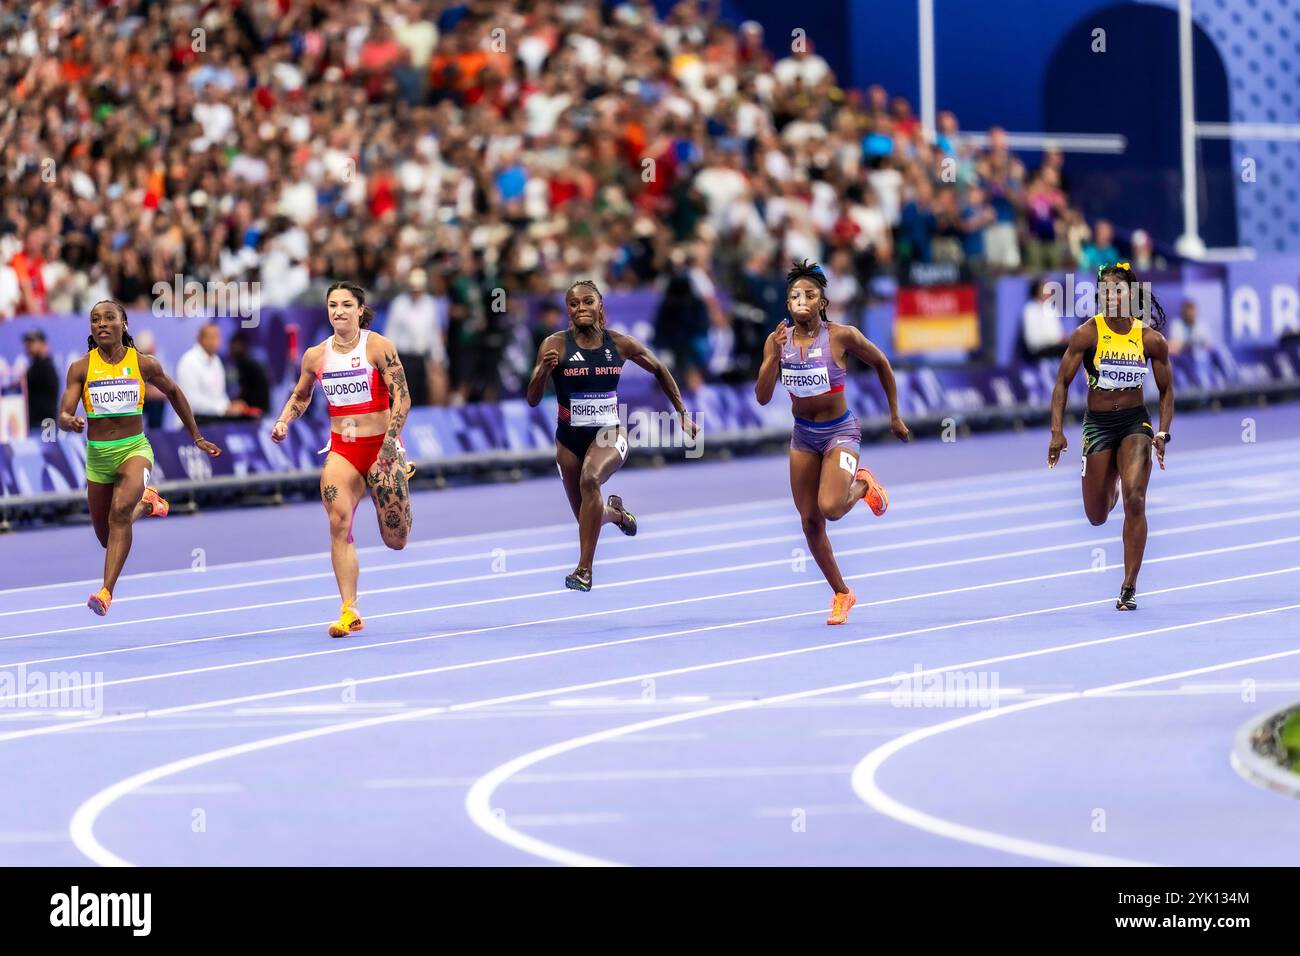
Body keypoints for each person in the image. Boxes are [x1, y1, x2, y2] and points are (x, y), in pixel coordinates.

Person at [754, 260, 911, 625]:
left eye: (809, 294)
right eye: (795, 295)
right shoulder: (777, 341)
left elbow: (882, 363)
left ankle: (863, 485)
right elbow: (762, 397)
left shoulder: (842, 336)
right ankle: (842, 593)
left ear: (822, 302)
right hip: (803, 436)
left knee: (832, 508)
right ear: (787, 303)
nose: (801, 299)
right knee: (810, 522)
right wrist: (773, 358)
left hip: (840, 432)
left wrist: (894, 415)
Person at [526, 278, 697, 591]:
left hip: (609, 435)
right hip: (568, 441)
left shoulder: (618, 344)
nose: (581, 309)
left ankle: (584, 571)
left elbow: (659, 368)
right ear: (568, 310)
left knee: (590, 479)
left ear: (599, 305)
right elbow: (533, 398)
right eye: (574, 304)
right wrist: (542, 373)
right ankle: (616, 514)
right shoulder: (554, 345)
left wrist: (682, 413)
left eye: (587, 302)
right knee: (586, 519)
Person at [58, 300, 222, 615]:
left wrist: (196, 436)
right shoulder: (80, 368)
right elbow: (64, 411)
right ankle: (147, 504)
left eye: (109, 318)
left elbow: (173, 392)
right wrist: (68, 420)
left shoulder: (143, 364)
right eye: (95, 320)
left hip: (135, 449)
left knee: (119, 513)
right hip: (98, 457)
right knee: (108, 537)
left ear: (124, 324)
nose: (101, 324)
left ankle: (105, 592)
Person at [271, 281, 414, 637]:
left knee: (396, 540)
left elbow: (403, 399)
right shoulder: (316, 356)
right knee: (338, 522)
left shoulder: (378, 347)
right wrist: (284, 420)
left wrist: (391, 442)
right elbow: (301, 395)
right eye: (333, 305)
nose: (338, 311)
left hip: (382, 448)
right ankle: (349, 609)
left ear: (360, 310)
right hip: (343, 450)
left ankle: (402, 473)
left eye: (346, 305)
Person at [1047, 262, 1174, 611]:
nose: (1111, 297)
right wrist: (1057, 432)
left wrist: (1162, 432)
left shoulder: (1149, 339)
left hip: (1135, 424)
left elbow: (1165, 391)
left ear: (1130, 295)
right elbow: (1061, 384)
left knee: (1137, 500)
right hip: (1098, 426)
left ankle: (1128, 586)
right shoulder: (1088, 334)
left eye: (1117, 291)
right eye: (1104, 292)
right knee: (1096, 515)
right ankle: (1111, 484)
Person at [383, 267, 447, 405]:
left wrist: (438, 358)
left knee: (421, 396)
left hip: (422, 358)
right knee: (402, 398)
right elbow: (390, 334)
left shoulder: (430, 304)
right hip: (403, 359)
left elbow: (434, 334)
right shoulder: (399, 304)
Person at [175, 323, 250, 425]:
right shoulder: (188, 361)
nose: (216, 341)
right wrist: (223, 409)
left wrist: (230, 407)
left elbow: (220, 395)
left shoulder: (216, 361)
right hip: (191, 425)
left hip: (214, 422)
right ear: (201, 339)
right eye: (212, 337)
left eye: (218, 336)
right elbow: (191, 401)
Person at [1020, 278, 1070, 360]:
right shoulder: (1030, 309)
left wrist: (1063, 339)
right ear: (1037, 291)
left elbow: (1058, 332)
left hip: (1053, 346)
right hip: (1038, 350)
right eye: (1044, 289)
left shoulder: (1051, 307)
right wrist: (1056, 340)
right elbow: (1032, 340)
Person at [21, 329, 58, 436]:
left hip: (45, 424)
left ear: (44, 344)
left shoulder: (45, 367)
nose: (28, 345)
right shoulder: (35, 367)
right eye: (27, 342)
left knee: (49, 451)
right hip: (38, 424)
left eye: (33, 341)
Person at [228, 331, 271, 415]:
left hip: (257, 410)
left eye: (234, 345)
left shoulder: (247, 365)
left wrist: (236, 404)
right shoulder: (246, 363)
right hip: (259, 409)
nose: (231, 348)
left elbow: (247, 392)